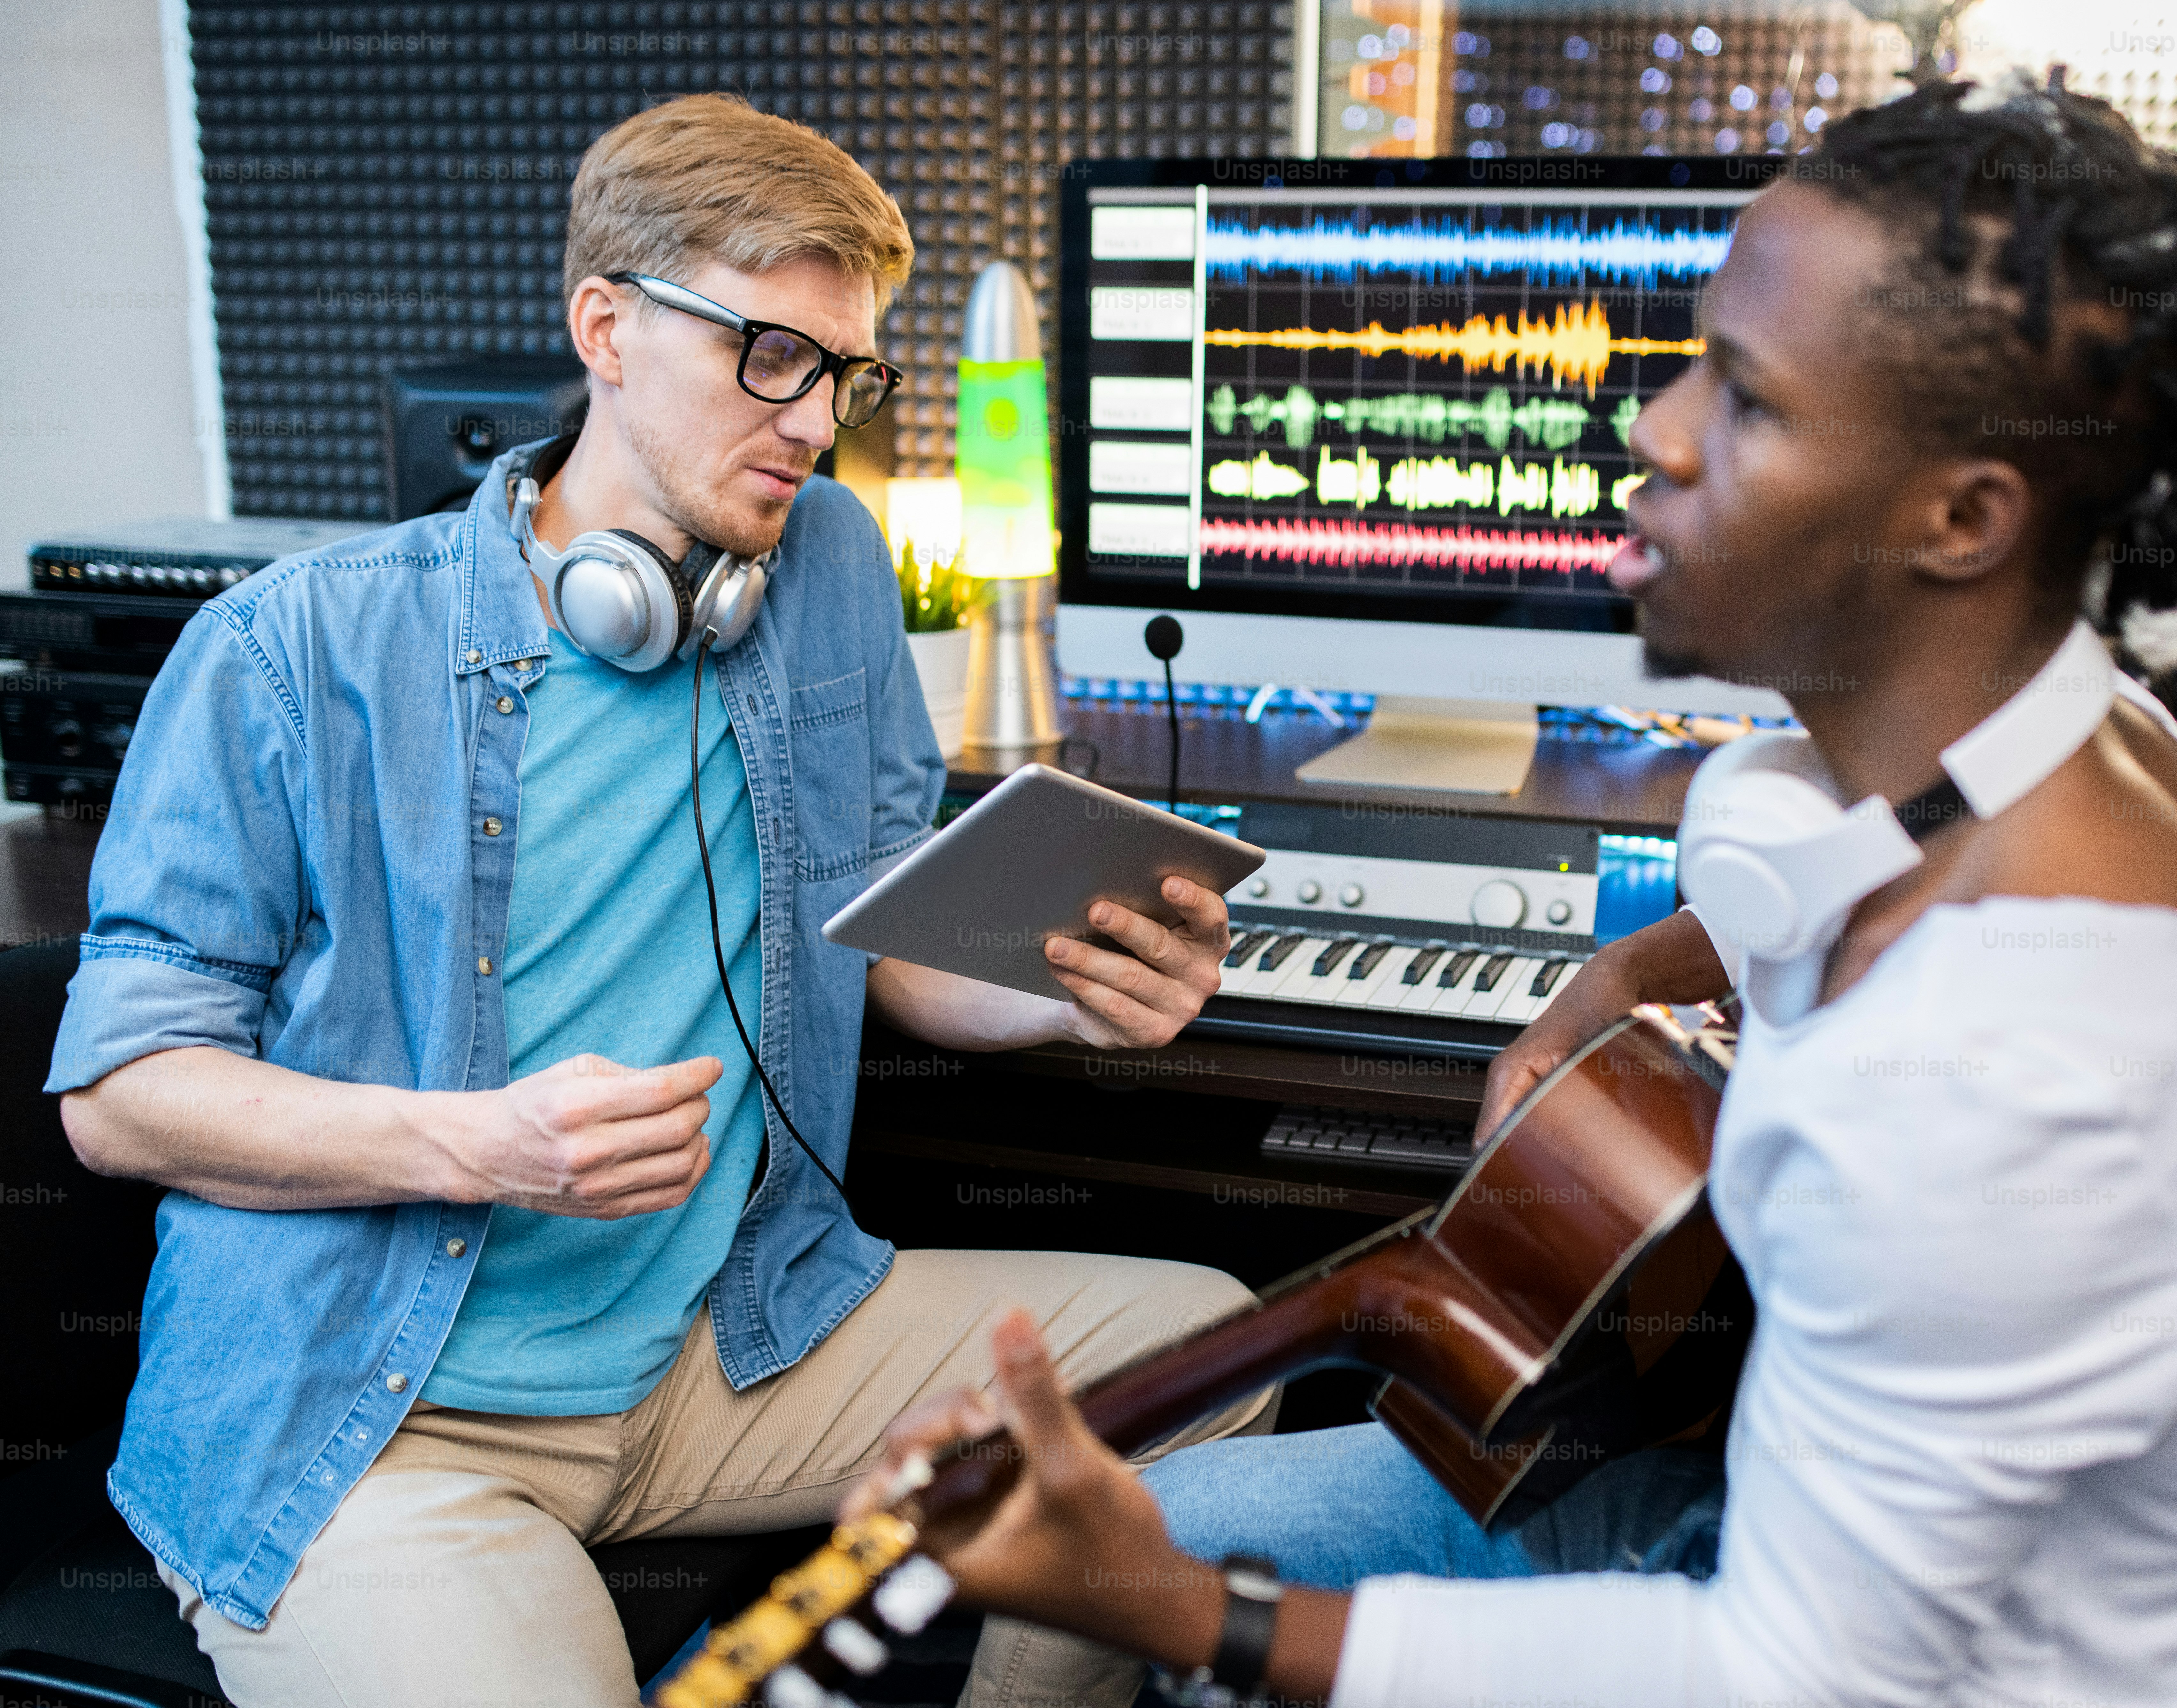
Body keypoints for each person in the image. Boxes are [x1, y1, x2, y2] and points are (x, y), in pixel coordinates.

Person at [845, 76, 2177, 1708]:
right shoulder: (2106, 745)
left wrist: (1175, 1610)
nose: (1653, 427)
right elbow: (1886, 838)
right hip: (1821, 1534)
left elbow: (1773, 1675)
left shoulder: (1994, 1088)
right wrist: (1626, 969)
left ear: (1962, 516)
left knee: (1133, 1570)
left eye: (1751, 400)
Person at [50, 93, 1270, 1708]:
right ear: (607, 328)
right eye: (769, 354)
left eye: (842, 371)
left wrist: (1067, 984)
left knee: (1201, 1357)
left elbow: (887, 932)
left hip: (730, 1337)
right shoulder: (294, 647)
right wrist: (481, 1141)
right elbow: (120, 1098)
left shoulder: (824, 562)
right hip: (382, 1414)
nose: (816, 419)